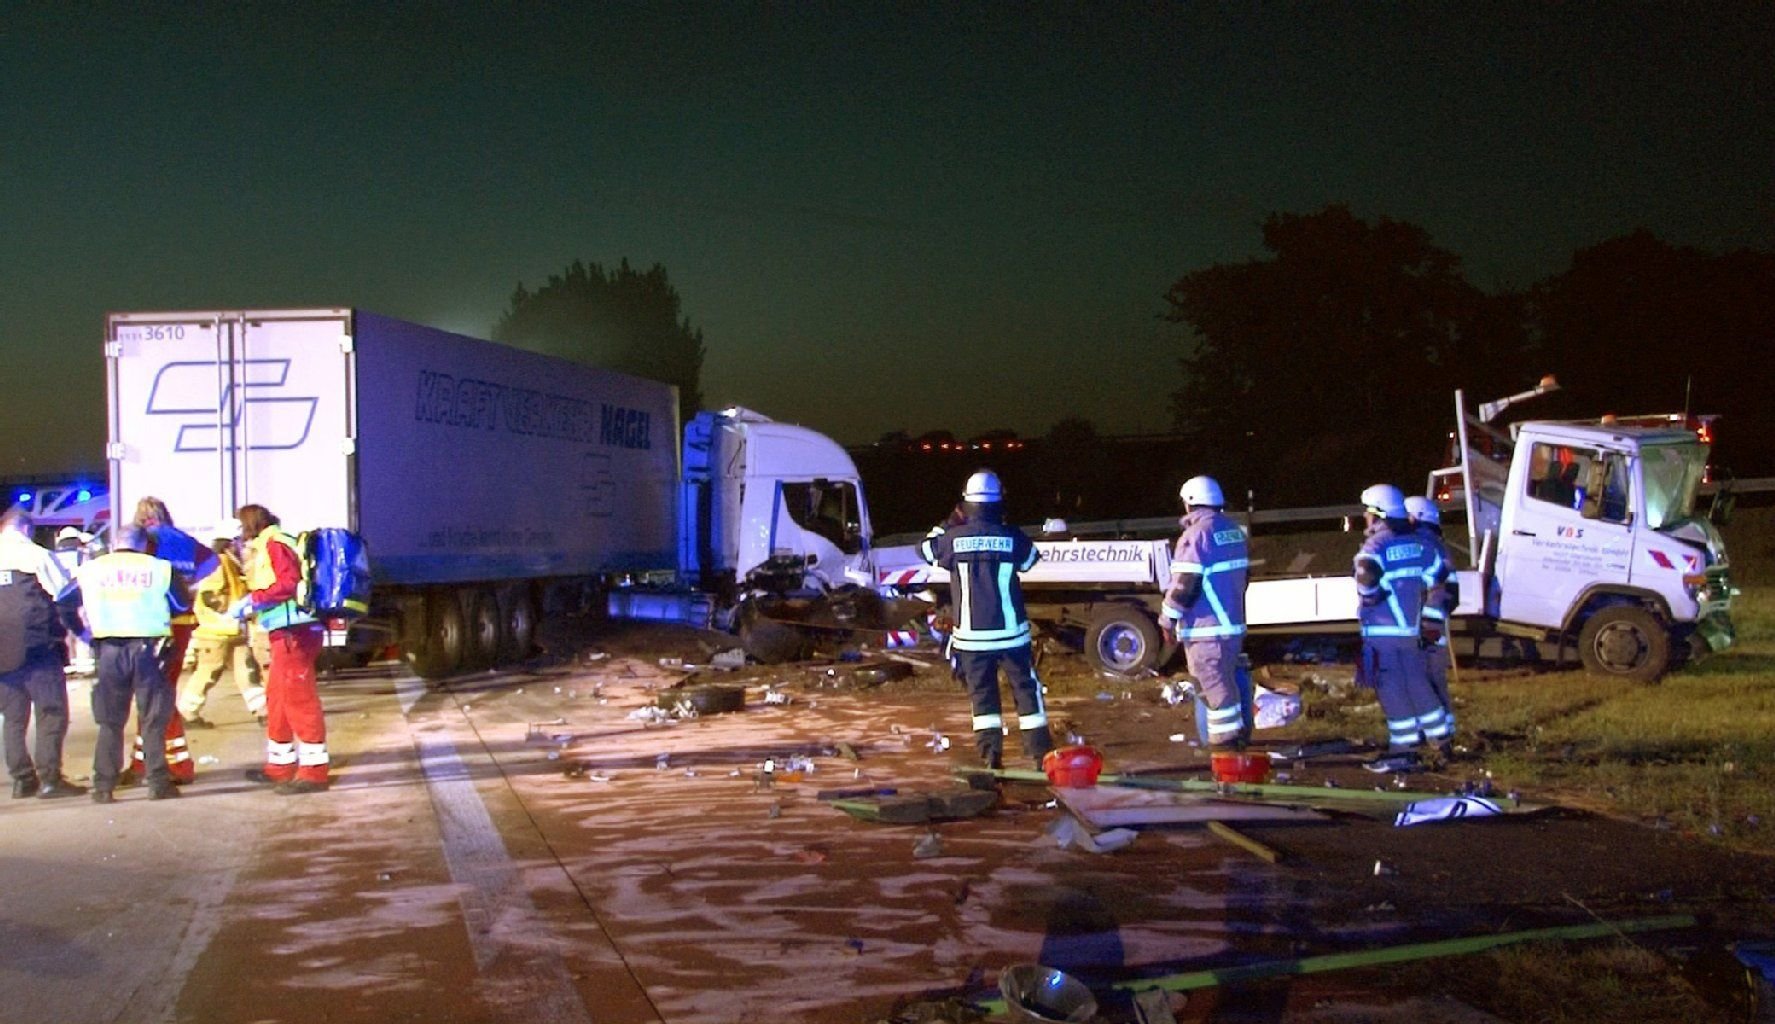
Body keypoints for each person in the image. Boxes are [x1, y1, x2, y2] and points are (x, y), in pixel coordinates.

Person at [917, 471, 1052, 770]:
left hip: (971, 638)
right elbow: (1030, 561)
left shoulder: (952, 539)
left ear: (966, 505)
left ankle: (991, 756)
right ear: (998, 502)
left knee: (983, 698)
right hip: (1011, 635)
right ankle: (1040, 755)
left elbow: (925, 549)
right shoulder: (1011, 536)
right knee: (1026, 691)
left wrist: (948, 523)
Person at [77, 523, 179, 802]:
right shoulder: (158, 568)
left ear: (114, 543)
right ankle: (158, 782)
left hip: (109, 648)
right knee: (153, 718)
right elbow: (181, 604)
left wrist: (85, 634)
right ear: (143, 544)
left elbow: (63, 602)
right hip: (149, 649)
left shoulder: (92, 569)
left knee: (110, 721)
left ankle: (103, 787)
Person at [235, 504, 330, 794]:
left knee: (298, 698)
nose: (241, 534)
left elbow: (288, 583)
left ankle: (314, 771)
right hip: (287, 630)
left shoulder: (275, 544)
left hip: (294, 630)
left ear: (252, 524)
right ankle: (280, 765)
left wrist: (254, 599)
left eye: (242, 527)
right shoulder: (273, 543)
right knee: (277, 697)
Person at [1353, 484, 1450, 765]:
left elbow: (1366, 580)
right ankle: (1441, 737)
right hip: (1410, 629)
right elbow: (1439, 576)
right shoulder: (1419, 544)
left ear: (1379, 514)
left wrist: (1372, 599)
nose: (1365, 519)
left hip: (1383, 630)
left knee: (1390, 686)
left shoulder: (1376, 545)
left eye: (1368, 513)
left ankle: (1403, 745)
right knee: (1417, 681)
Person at [1159, 476, 1253, 751]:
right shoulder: (1234, 531)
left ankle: (1226, 748)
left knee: (1213, 688)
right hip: (1231, 626)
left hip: (1206, 630)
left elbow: (1184, 587)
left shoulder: (1195, 536)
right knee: (1228, 682)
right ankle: (1238, 740)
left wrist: (1167, 620)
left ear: (1189, 503)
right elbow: (1244, 577)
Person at [0, 506, 87, 799]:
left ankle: (22, 780)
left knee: (13, 718)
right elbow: (65, 594)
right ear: (26, 529)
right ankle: (50, 779)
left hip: (2, 653)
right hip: (38, 647)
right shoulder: (36, 555)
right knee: (51, 712)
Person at [128, 497, 216, 784]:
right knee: (158, 690)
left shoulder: (147, 542)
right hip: (183, 622)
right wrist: (189, 584)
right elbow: (212, 562)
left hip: (157, 623)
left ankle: (177, 764)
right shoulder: (184, 540)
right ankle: (143, 760)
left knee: (155, 693)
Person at [180, 535, 266, 727]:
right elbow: (211, 595)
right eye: (239, 542)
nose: (243, 546)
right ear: (230, 543)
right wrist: (232, 610)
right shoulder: (219, 563)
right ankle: (187, 713)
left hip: (233, 630)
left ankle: (263, 710)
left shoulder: (231, 563)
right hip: (216, 631)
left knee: (247, 671)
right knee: (208, 672)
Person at [1404, 494, 1459, 746]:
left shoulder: (1425, 546)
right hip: (1428, 627)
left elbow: (1442, 592)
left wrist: (1424, 626)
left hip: (1426, 629)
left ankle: (1437, 739)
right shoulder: (1432, 544)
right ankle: (1439, 736)